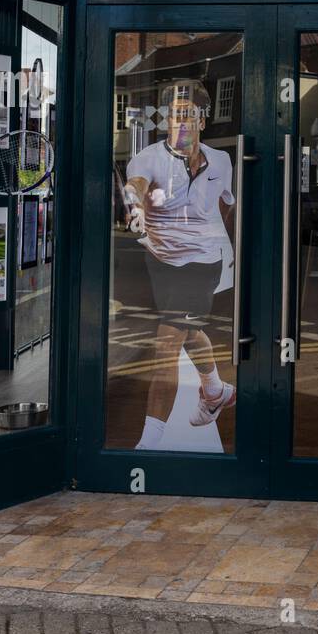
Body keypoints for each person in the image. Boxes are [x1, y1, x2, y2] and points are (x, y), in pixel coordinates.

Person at [123, 81, 236, 452]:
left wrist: (209, 242)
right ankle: (215, 390)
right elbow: (135, 187)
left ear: (203, 121)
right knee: (188, 332)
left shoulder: (221, 161)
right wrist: (135, 208)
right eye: (174, 116)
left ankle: (149, 445)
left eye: (188, 116)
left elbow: (225, 205)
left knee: (167, 341)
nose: (181, 123)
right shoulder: (148, 159)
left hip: (202, 263)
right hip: (160, 261)